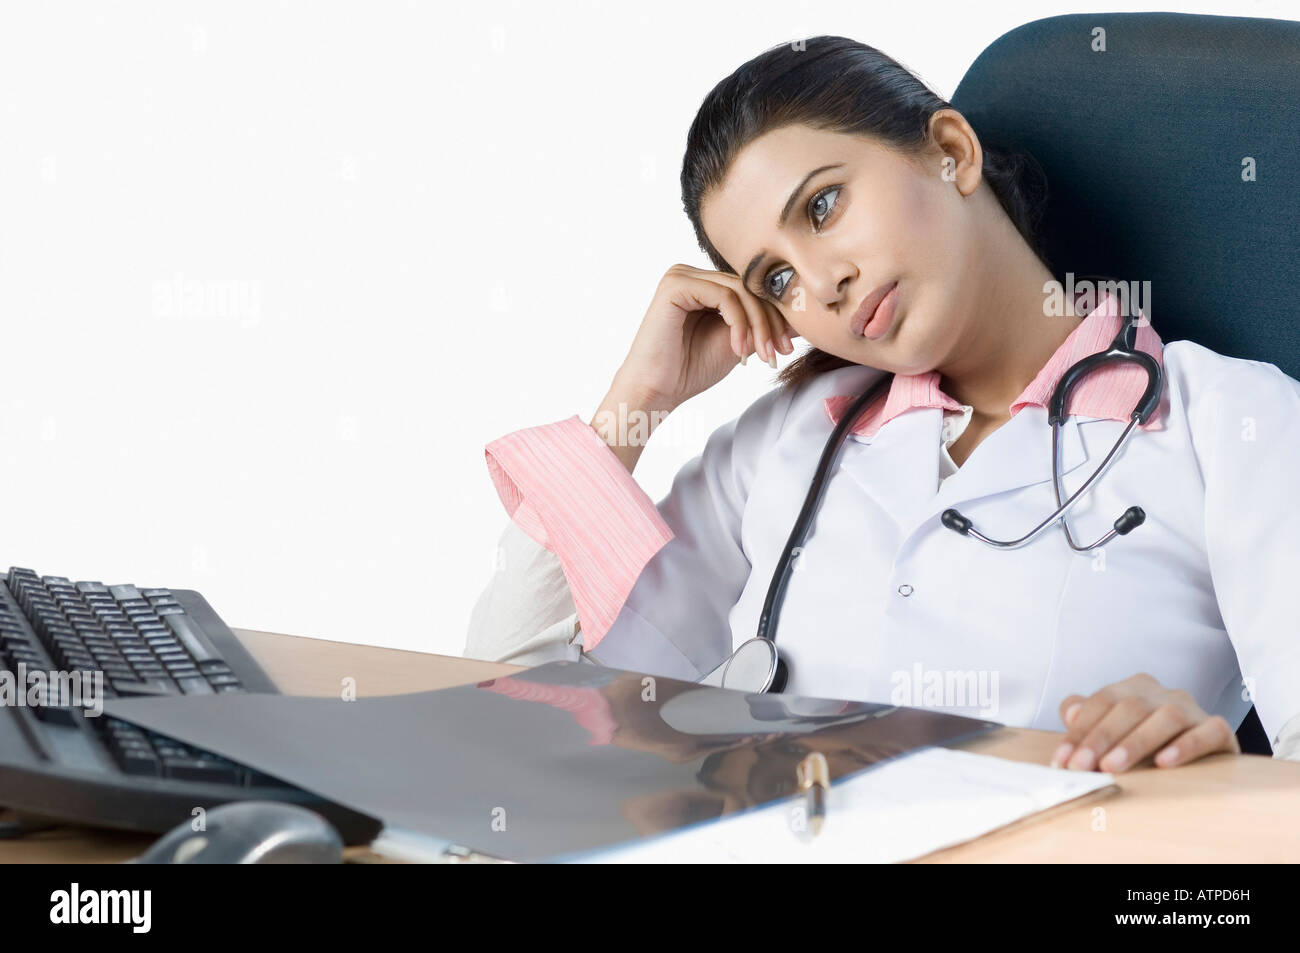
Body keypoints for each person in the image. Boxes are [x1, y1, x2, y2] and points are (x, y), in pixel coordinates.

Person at [466, 36, 1300, 772]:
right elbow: (515, 710)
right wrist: (634, 403)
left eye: (823, 207)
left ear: (949, 150)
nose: (822, 285)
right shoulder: (786, 443)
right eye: (777, 279)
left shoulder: (1230, 425)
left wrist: (1212, 778)